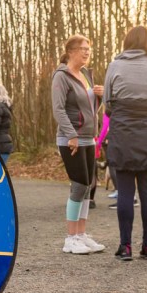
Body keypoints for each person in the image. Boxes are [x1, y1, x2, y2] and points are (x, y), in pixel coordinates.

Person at [103, 26, 147, 261]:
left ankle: (126, 247)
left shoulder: (116, 65)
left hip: (123, 133)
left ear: (127, 42)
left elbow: (107, 103)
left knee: (125, 190)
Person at [51, 34, 105, 254]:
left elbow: (90, 110)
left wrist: (99, 98)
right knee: (79, 185)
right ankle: (70, 238)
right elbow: (58, 109)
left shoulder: (85, 75)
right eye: (82, 48)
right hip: (70, 139)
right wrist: (71, 134)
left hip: (88, 138)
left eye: (88, 49)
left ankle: (81, 234)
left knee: (88, 186)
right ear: (71, 51)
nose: (86, 52)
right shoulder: (61, 76)